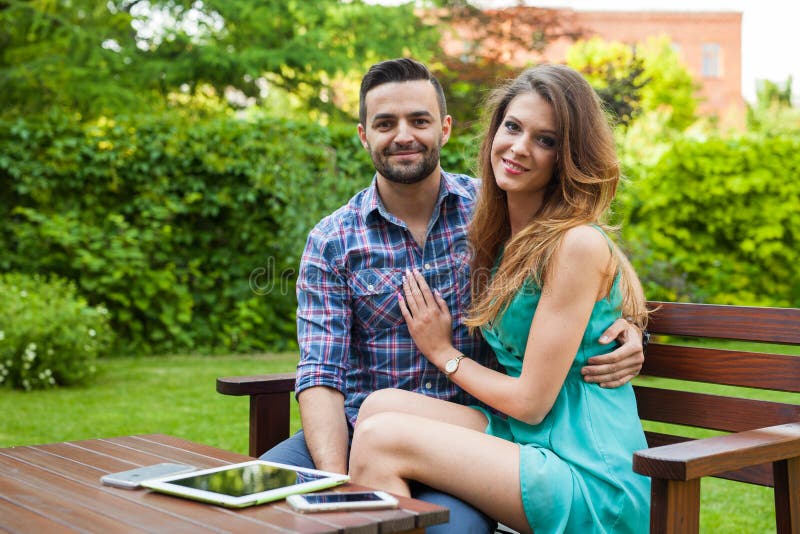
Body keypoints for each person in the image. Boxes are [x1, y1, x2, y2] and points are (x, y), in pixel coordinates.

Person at [263, 58, 646, 533]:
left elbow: (592, 271)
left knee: (381, 435)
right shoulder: (492, 222)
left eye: (545, 140)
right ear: (364, 135)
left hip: (564, 452)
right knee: (375, 412)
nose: (520, 148)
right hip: (491, 428)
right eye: (386, 123)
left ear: (444, 128)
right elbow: (320, 369)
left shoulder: (488, 211)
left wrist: (632, 329)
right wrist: (335, 474)